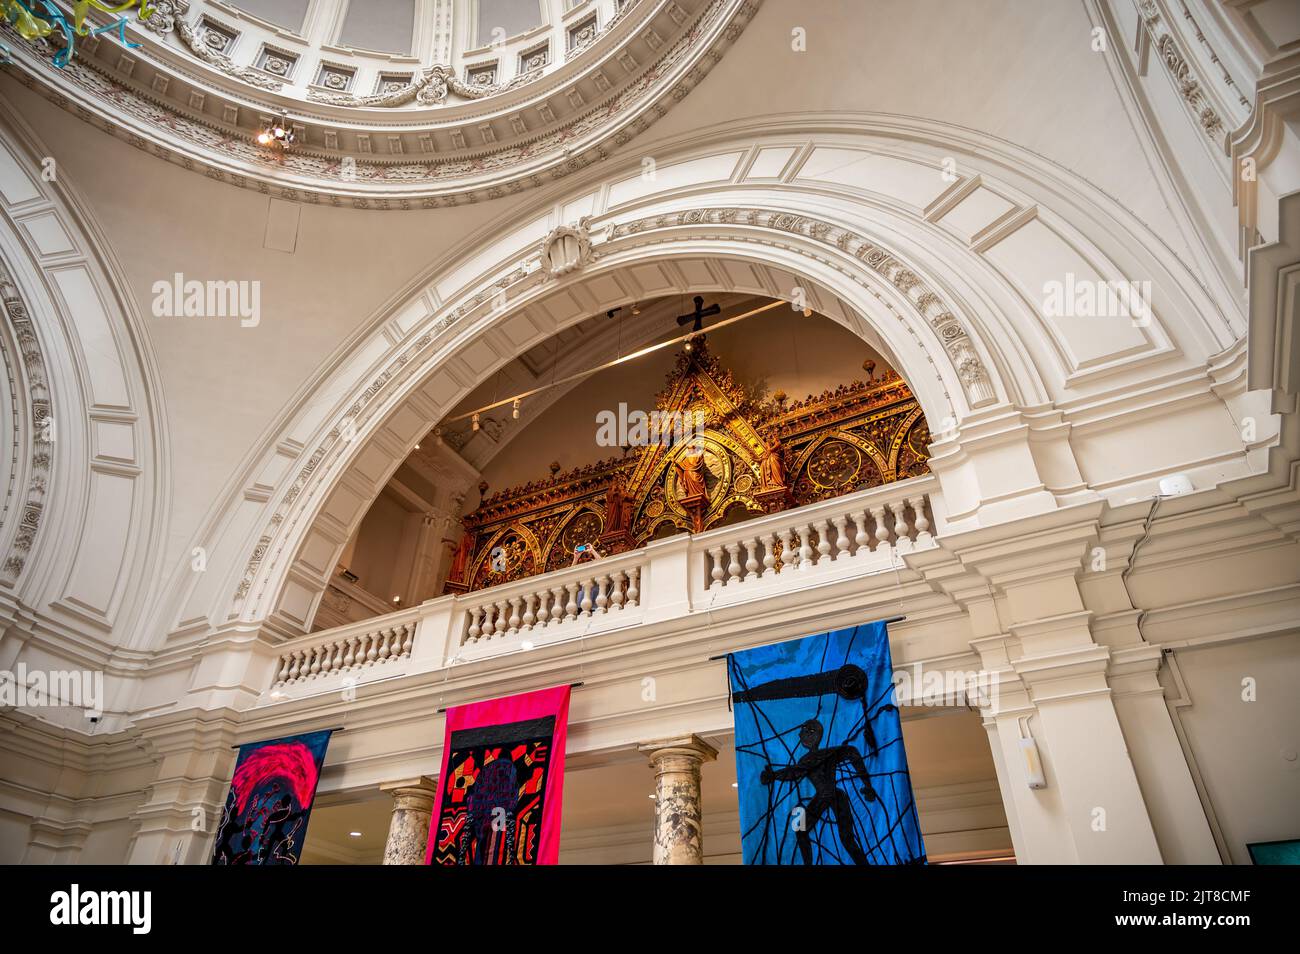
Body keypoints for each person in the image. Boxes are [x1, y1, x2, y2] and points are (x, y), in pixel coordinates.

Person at [759, 718, 876, 865]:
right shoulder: (825, 754)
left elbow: (795, 772)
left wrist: (773, 776)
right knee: (845, 838)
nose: (799, 735)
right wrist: (867, 784)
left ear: (811, 734)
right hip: (834, 795)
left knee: (811, 833)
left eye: (803, 732)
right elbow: (851, 752)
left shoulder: (812, 758)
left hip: (825, 796)